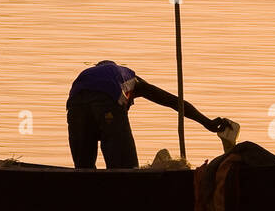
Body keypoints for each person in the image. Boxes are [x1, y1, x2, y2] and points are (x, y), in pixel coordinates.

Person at [67, 60, 227, 169]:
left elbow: (91, 111)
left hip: (74, 106)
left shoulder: (87, 76)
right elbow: (174, 102)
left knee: (83, 169)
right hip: (107, 100)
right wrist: (207, 122)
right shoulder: (131, 79)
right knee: (127, 170)